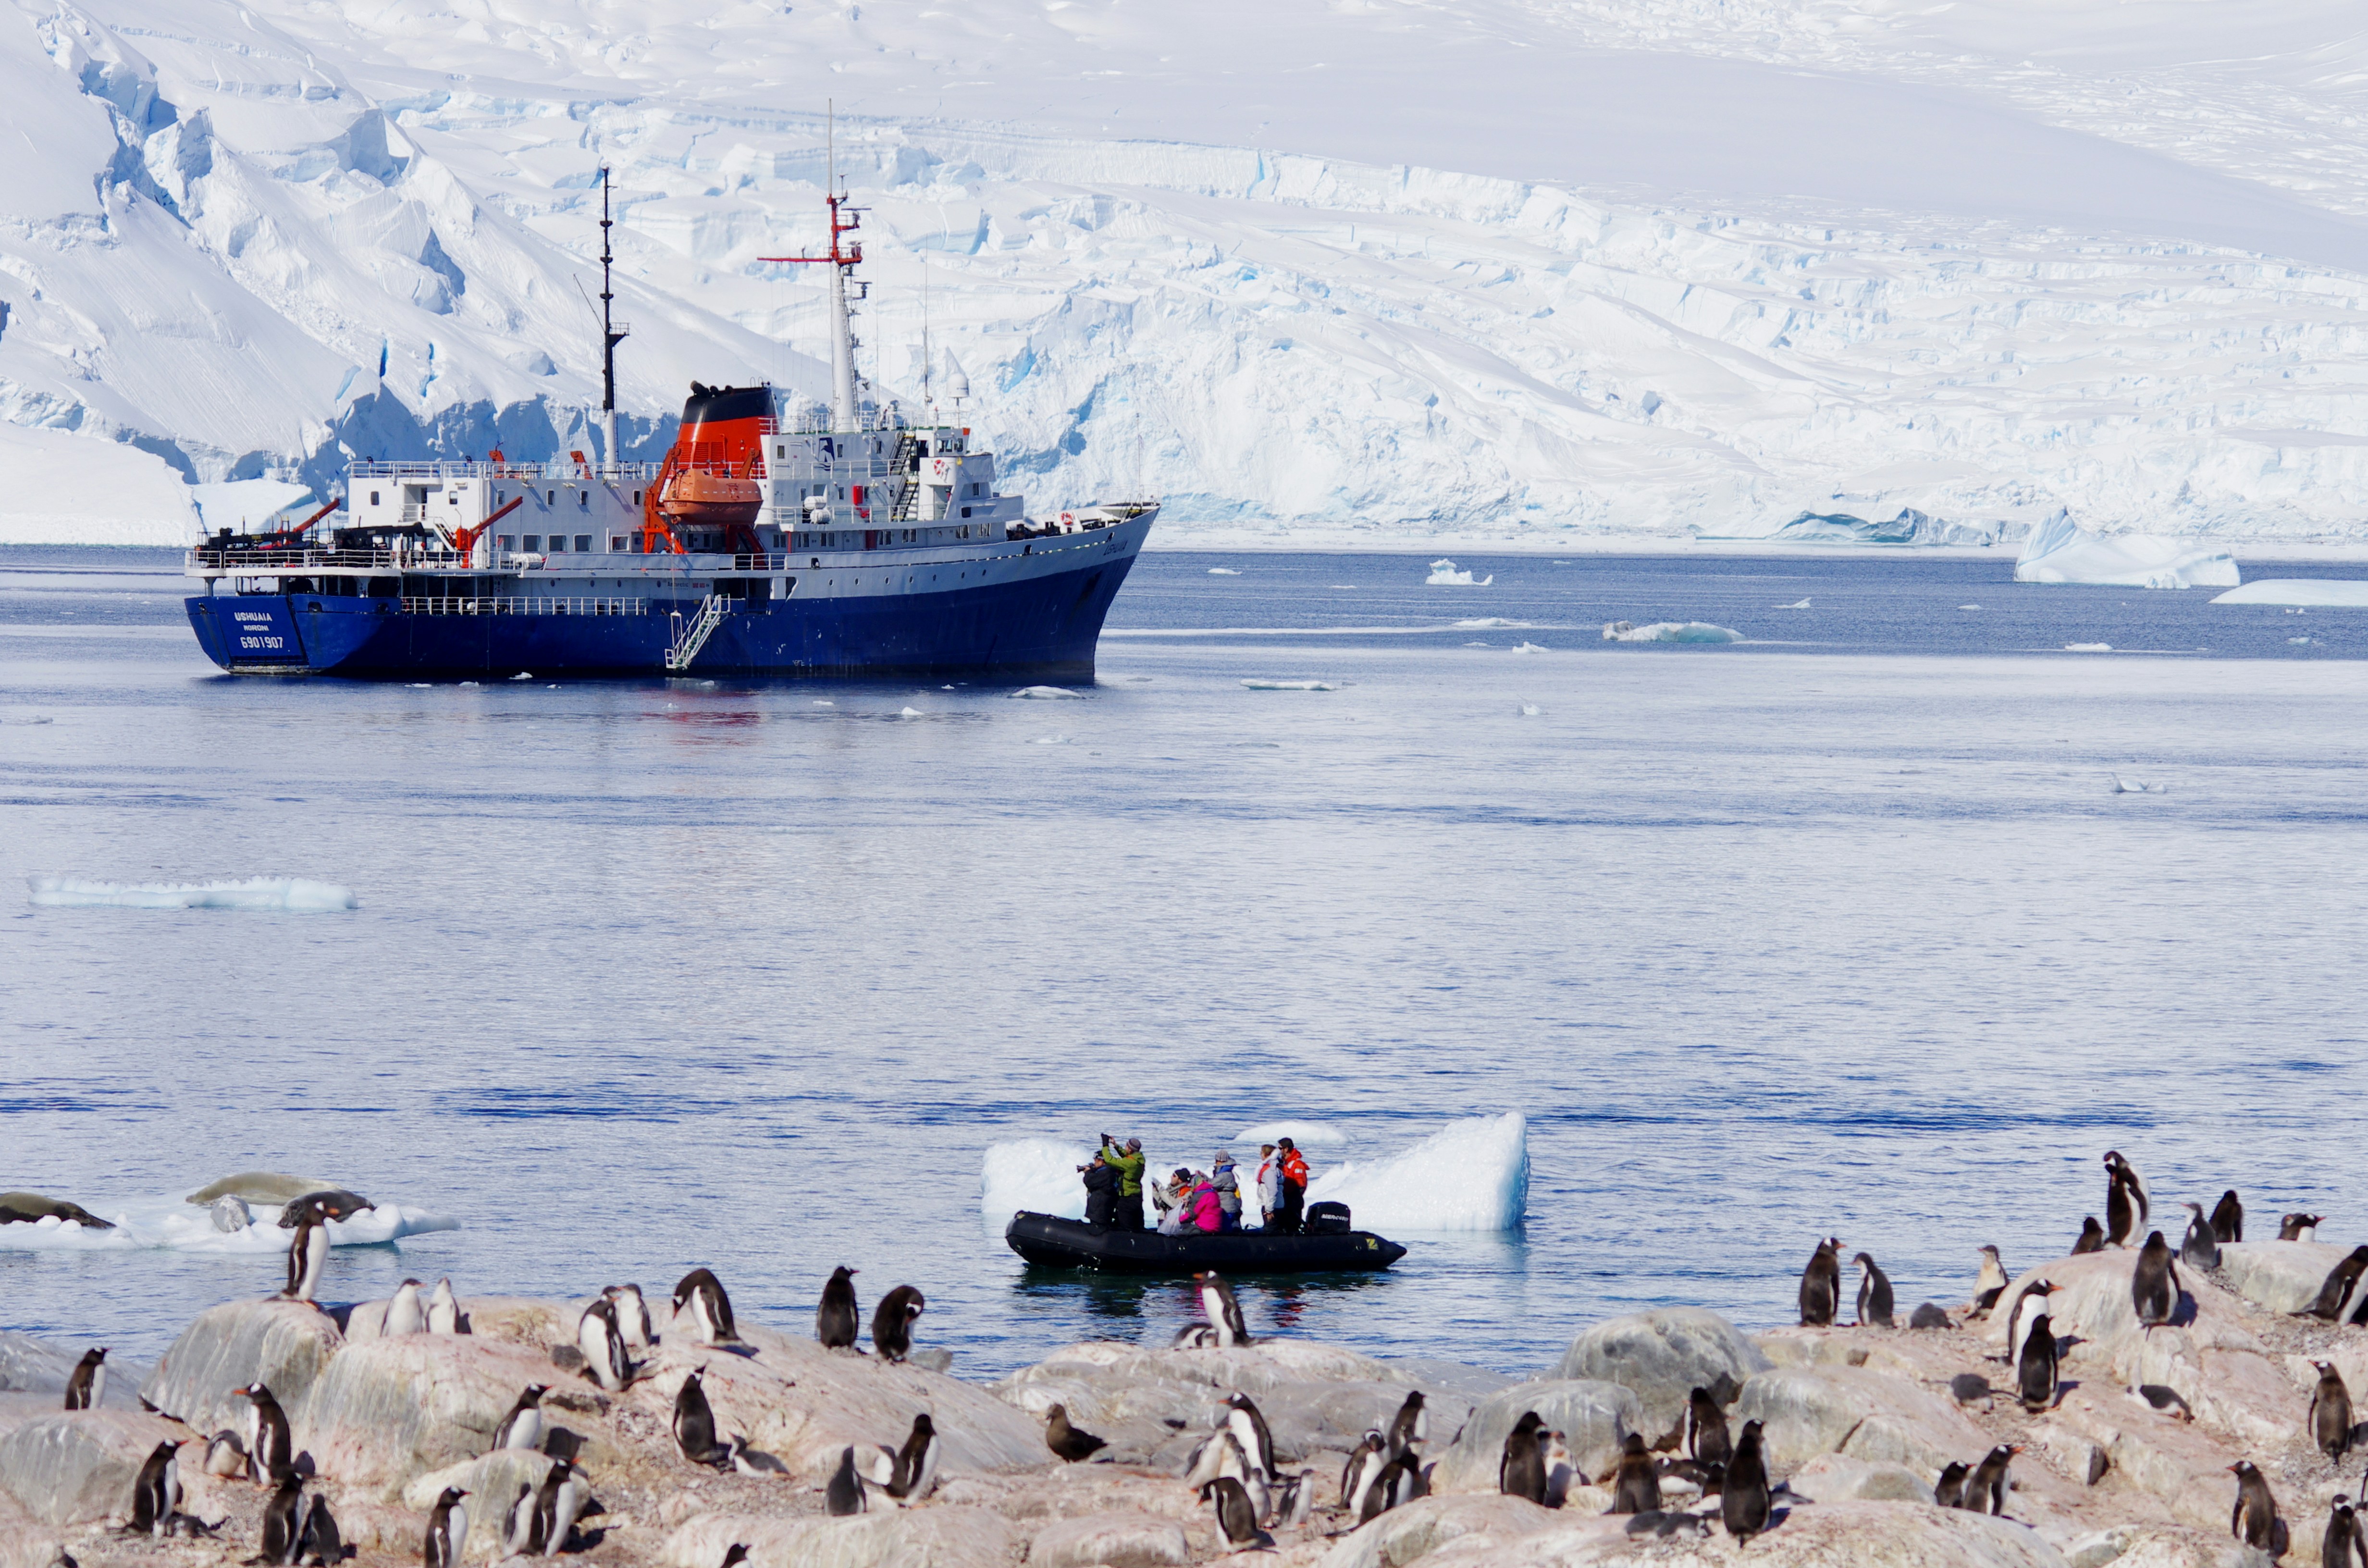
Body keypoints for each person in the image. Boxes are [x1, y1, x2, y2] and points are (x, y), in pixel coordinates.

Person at [1102, 1135, 1147, 1231]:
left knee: (1126, 1226)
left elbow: (1109, 1160)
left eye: (1127, 1146)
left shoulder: (1129, 1163)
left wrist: (1105, 1145)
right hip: (1137, 1196)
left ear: (1130, 1150)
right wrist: (1115, 1146)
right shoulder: (1139, 1159)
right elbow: (1127, 1156)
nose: (1125, 1147)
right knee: (1138, 1224)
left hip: (1127, 1199)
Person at [1276, 1138, 1309, 1234]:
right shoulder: (1284, 1164)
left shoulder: (1297, 1165)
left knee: (1292, 1227)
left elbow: (1301, 1186)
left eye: (1280, 1148)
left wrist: (1289, 1200)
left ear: (1286, 1149)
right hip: (1284, 1201)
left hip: (1293, 1203)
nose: (1278, 1151)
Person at [1079, 1151, 1118, 1229]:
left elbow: (1090, 1181)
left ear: (1102, 1161)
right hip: (1101, 1209)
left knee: (1098, 1229)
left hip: (1100, 1211)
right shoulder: (1109, 1171)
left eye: (1096, 1161)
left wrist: (1088, 1172)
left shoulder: (1106, 1173)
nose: (1095, 1163)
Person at [1210, 1152, 1243, 1232]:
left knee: (1227, 1228)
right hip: (1230, 1204)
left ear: (1221, 1161)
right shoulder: (1226, 1173)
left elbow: (1212, 1184)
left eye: (1217, 1161)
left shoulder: (1224, 1175)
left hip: (1227, 1206)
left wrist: (1201, 1179)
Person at [1255, 1144, 1281, 1230]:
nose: (1260, 1155)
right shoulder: (1271, 1167)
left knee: (1271, 1228)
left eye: (1261, 1153)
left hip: (1271, 1206)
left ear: (1267, 1155)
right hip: (1270, 1204)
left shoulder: (1270, 1170)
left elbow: (1272, 1190)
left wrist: (1269, 1210)